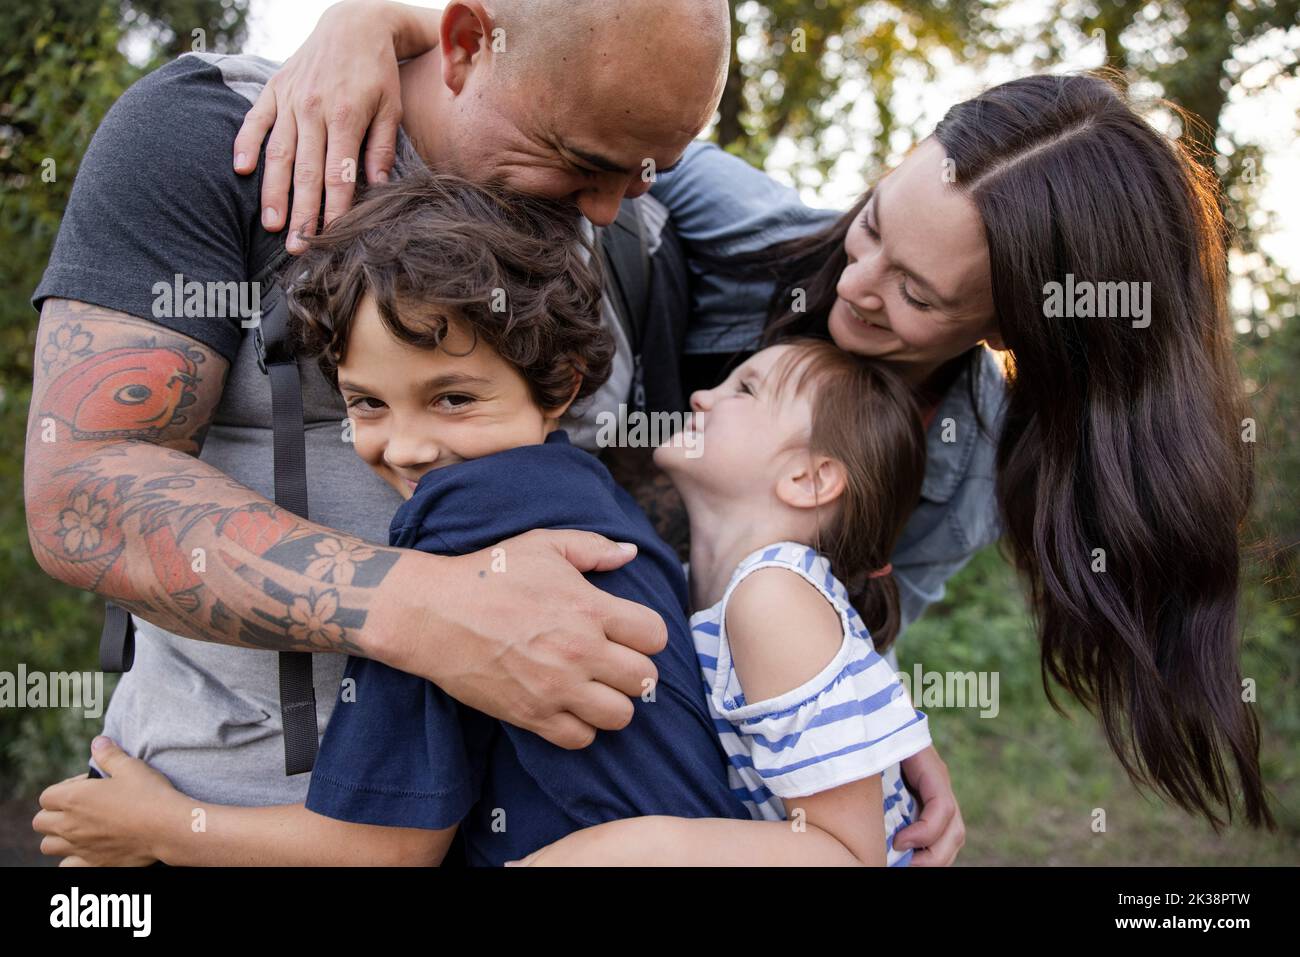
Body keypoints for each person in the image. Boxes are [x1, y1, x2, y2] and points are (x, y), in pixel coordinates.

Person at [264, 10, 1274, 831]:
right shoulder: (753, 230)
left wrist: (876, 735)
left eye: (915, 294)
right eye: (872, 223)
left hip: (682, 775)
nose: (854, 286)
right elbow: (570, 88)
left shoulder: (958, 470)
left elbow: (840, 651)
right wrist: (368, 21)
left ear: (1010, 328)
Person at [24, 0, 734, 825]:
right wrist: (426, 612)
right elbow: (81, 489)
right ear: (467, 46)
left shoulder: (633, 230)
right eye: (581, 163)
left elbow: (867, 276)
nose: (608, 208)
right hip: (203, 815)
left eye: (645, 174)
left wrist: (847, 715)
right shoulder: (215, 135)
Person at [515, 339, 934, 866]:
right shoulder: (701, 586)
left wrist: (629, 847)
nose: (701, 397)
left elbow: (850, 855)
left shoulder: (775, 598)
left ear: (809, 478)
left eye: (745, 389)